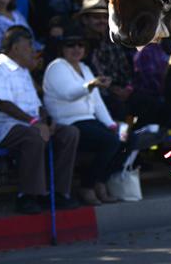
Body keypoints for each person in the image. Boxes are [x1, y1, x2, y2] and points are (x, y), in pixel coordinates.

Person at [0, 26, 80, 214]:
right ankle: (28, 196)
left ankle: (58, 192)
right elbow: (4, 104)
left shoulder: (23, 71)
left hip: (30, 124)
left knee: (69, 133)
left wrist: (46, 120)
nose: (33, 51)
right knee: (33, 136)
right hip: (2, 126)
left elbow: (37, 105)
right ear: (15, 48)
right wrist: (35, 123)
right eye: (28, 46)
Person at [42, 25, 122, 205]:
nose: (77, 49)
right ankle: (87, 186)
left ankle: (100, 182)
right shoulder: (56, 67)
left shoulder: (85, 68)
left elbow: (97, 102)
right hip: (68, 123)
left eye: (80, 45)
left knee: (124, 136)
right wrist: (92, 84)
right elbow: (69, 94)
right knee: (111, 141)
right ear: (62, 49)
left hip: (89, 122)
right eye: (71, 45)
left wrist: (110, 124)